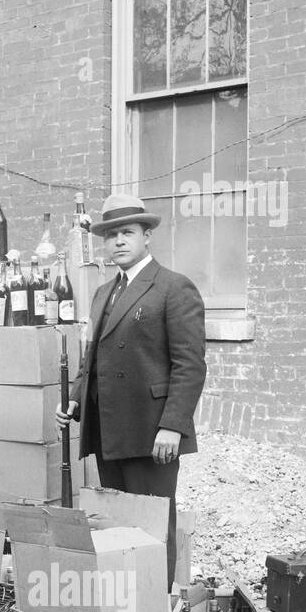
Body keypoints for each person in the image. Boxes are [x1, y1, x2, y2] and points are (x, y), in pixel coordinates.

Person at [55, 194, 207, 586]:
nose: (118, 241)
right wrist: (74, 398)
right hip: (110, 432)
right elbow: (93, 356)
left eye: (127, 232)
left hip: (151, 434)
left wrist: (173, 425)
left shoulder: (174, 288)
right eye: (111, 235)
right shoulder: (104, 292)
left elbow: (190, 365)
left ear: (147, 236)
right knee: (120, 527)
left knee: (153, 529)